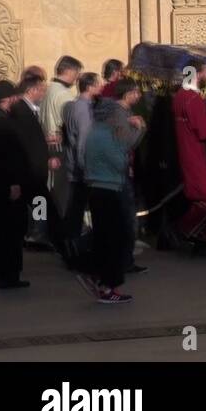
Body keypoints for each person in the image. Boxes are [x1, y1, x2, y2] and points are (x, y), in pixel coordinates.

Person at [75, 100, 134, 304]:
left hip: (98, 189)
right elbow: (120, 162)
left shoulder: (94, 132)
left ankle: (99, 276)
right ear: (110, 116)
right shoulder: (106, 135)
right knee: (114, 240)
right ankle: (108, 286)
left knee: (104, 237)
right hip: (108, 190)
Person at [171, 59, 206, 256]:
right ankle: (184, 231)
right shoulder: (193, 99)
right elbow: (205, 131)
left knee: (199, 199)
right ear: (197, 74)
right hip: (197, 153)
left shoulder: (179, 97)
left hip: (187, 151)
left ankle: (201, 241)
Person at [12, 70, 63, 250]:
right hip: (31, 170)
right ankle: (37, 235)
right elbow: (25, 142)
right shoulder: (21, 110)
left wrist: (45, 142)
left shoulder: (26, 109)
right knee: (39, 202)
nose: (43, 94)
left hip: (33, 169)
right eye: (41, 90)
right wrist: (44, 159)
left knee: (38, 202)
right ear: (32, 90)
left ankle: (37, 233)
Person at [0, 81, 30, 289]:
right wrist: (13, 183)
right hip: (6, 186)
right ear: (9, 99)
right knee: (10, 232)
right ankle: (9, 276)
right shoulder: (1, 123)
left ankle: (4, 271)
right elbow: (5, 159)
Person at [106, 79, 148, 273]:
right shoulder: (118, 113)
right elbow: (126, 144)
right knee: (126, 217)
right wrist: (139, 129)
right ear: (127, 93)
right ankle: (123, 260)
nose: (139, 96)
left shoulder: (125, 112)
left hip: (123, 168)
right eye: (136, 92)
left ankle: (124, 258)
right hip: (118, 171)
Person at [60, 72, 103, 257]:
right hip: (82, 168)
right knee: (78, 210)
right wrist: (87, 168)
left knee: (75, 209)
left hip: (74, 165)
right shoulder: (83, 109)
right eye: (98, 84)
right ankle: (74, 248)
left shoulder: (72, 106)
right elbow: (83, 142)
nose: (100, 87)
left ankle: (71, 245)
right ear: (90, 86)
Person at [41, 56, 83, 217]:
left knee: (51, 195)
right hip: (62, 151)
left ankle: (46, 230)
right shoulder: (63, 95)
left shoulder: (48, 90)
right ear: (69, 70)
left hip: (49, 149)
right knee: (64, 198)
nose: (77, 77)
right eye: (77, 73)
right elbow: (73, 125)